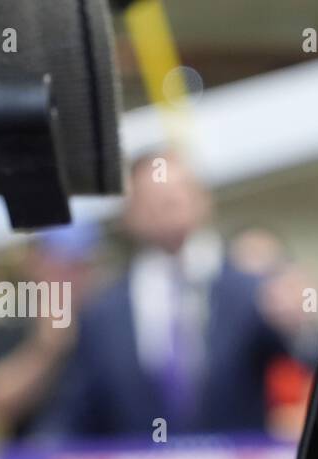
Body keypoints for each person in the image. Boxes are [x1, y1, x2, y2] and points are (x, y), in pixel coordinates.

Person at [38, 152, 297, 438]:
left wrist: (302, 322)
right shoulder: (102, 310)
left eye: (175, 194)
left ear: (203, 199)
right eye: (150, 198)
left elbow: (308, 363)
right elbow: (76, 411)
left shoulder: (253, 293)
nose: (165, 205)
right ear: (128, 214)